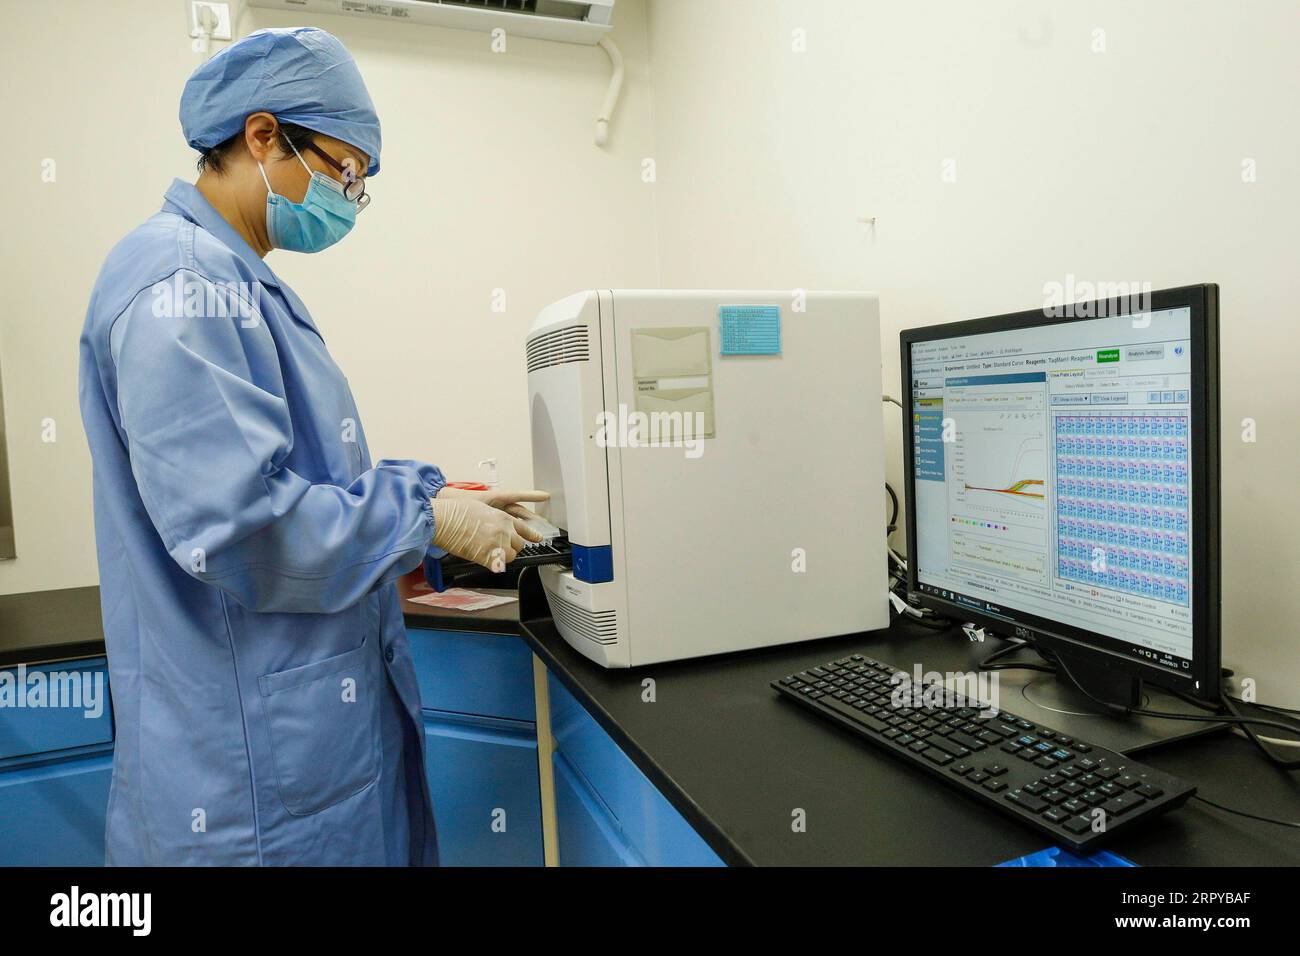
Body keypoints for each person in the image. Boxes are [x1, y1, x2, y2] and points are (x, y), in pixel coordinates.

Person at [77, 26, 546, 865]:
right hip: (245, 784)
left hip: (294, 746)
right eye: (344, 170)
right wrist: (419, 515)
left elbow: (297, 484)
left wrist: (436, 517)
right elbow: (241, 528)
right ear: (263, 136)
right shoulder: (180, 288)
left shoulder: (239, 284)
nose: (349, 197)